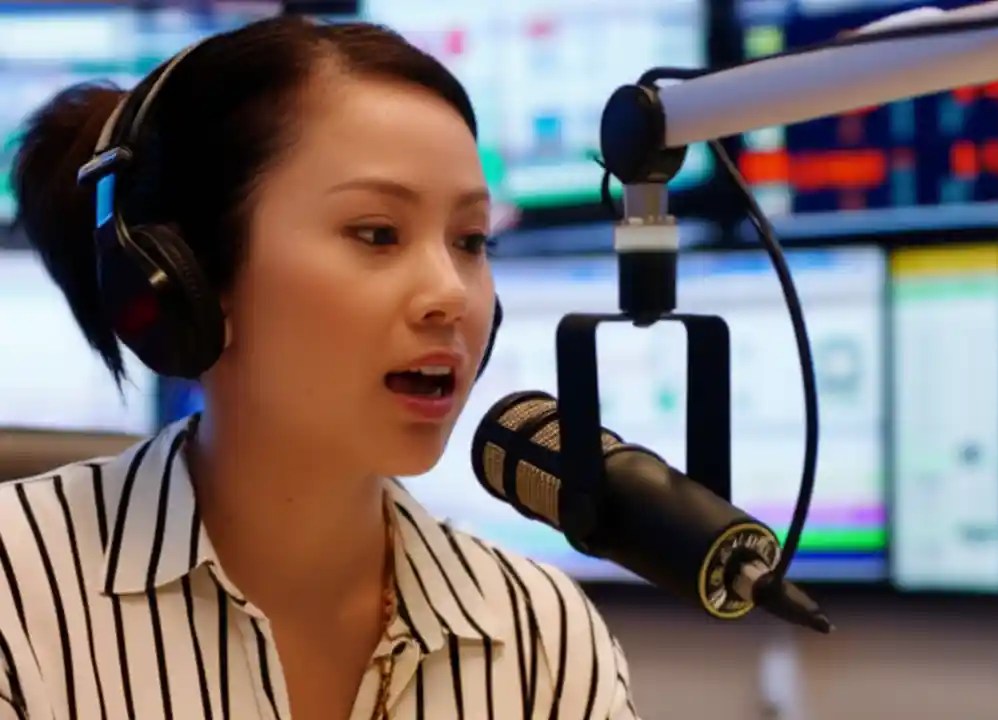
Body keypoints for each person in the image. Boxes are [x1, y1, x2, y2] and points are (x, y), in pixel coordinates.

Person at [3, 15, 639, 720]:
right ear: (189, 278)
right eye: (377, 234)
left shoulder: (545, 644)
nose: (452, 296)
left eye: (469, 240)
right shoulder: (18, 596)